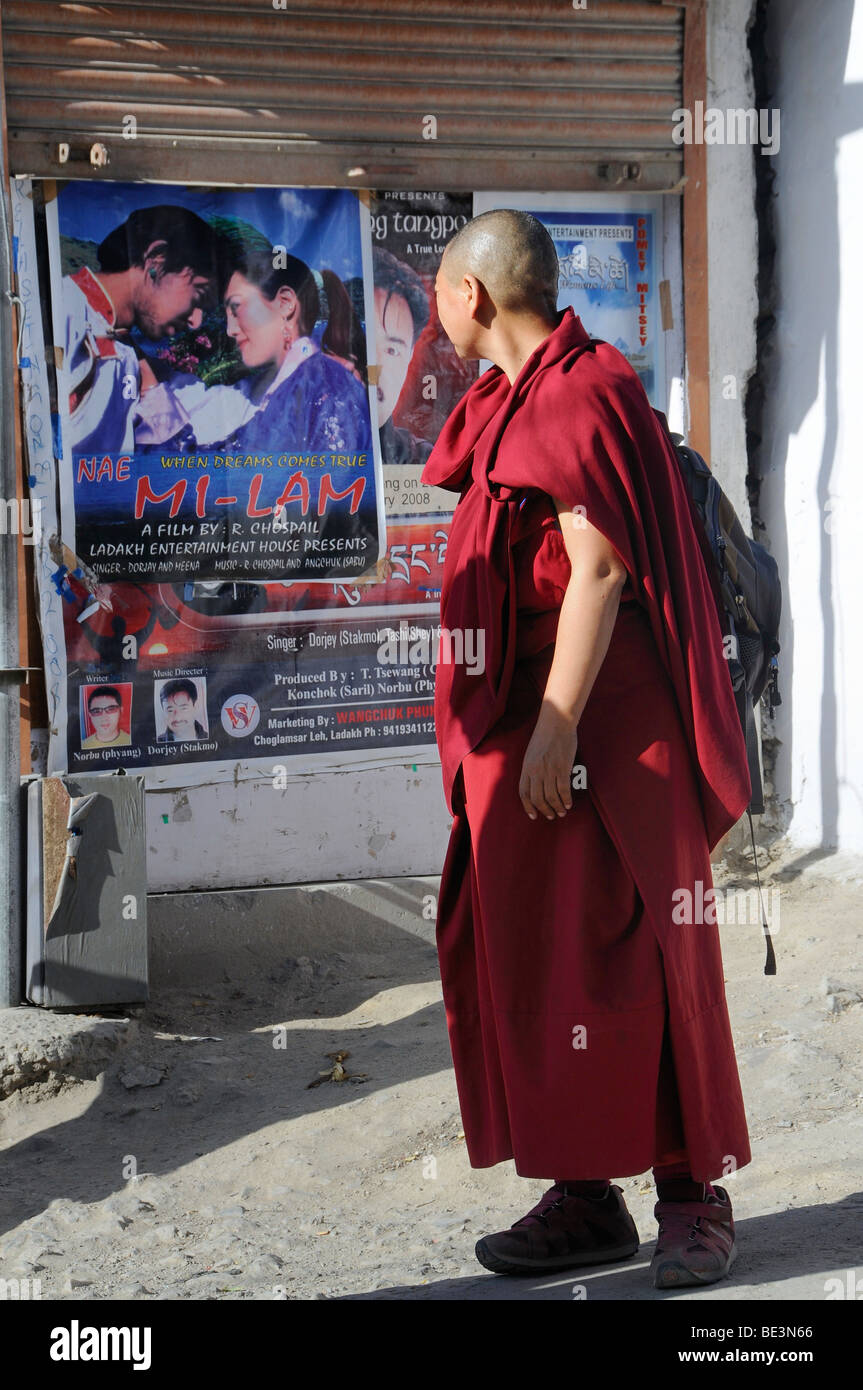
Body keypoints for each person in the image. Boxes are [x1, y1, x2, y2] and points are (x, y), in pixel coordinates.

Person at [420, 209, 753, 1289]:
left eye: (436, 286)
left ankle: (691, 1194)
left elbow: (597, 571)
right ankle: (584, 1194)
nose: (434, 305)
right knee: (545, 960)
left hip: (606, 733)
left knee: (641, 954)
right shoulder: (509, 399)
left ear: (471, 294)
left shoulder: (580, 393)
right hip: (527, 733)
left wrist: (556, 724)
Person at [135, 242, 371, 457]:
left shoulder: (327, 388)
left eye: (236, 308)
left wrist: (155, 400)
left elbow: (331, 495)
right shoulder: (285, 386)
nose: (230, 329)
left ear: (285, 303)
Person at [64, 205, 223, 453]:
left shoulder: (126, 352)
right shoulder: (66, 311)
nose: (196, 321)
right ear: (156, 262)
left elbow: (168, 452)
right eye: (199, 297)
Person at [372, 247, 434, 467]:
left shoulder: (424, 463)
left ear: (409, 358)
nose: (374, 369)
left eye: (392, 351)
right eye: (363, 343)